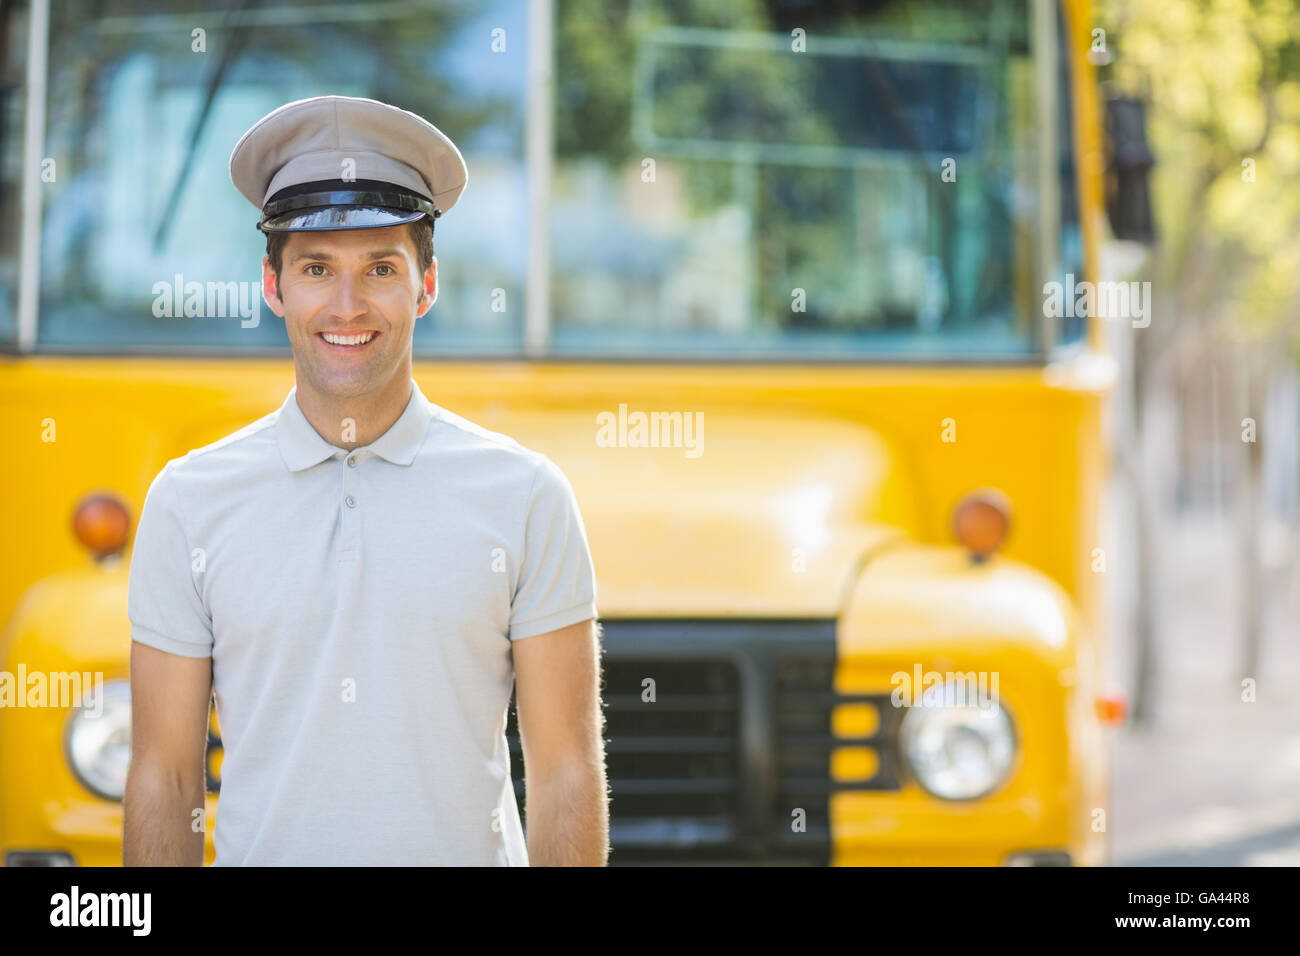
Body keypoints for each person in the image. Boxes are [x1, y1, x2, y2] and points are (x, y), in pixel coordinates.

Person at [122, 95, 607, 866]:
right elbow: (165, 777)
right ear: (274, 286)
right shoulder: (188, 502)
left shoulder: (526, 496)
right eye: (317, 269)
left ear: (427, 285)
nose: (347, 306)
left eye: (381, 268)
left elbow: (566, 775)